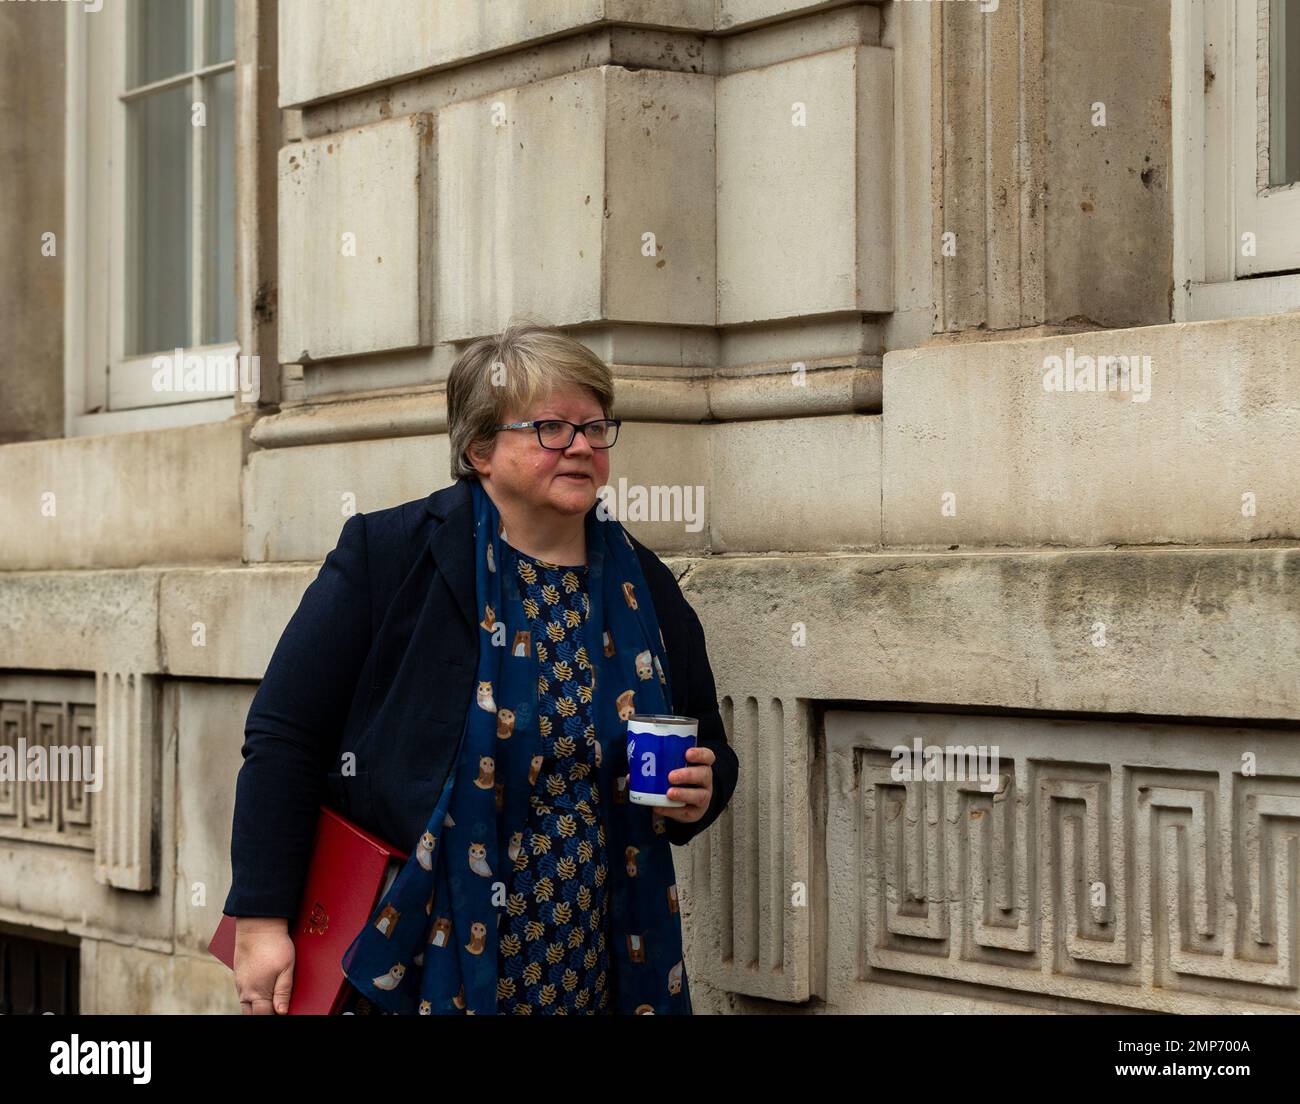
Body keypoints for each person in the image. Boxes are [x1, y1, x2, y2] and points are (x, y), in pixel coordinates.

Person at [223, 320, 739, 1015]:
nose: (582, 446)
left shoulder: (643, 587)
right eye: (553, 427)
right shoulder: (391, 556)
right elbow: (285, 735)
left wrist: (701, 792)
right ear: (480, 448)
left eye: (595, 427)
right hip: (415, 951)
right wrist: (261, 921)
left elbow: (705, 744)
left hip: (591, 960)